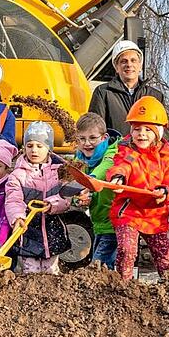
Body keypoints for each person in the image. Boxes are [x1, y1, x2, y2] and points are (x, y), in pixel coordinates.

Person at [106, 97, 169, 280]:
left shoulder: (166, 157)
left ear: (158, 132)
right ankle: (124, 287)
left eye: (148, 130)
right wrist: (117, 178)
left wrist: (164, 193)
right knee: (126, 250)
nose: (141, 134)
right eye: (137, 129)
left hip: (155, 215)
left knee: (165, 259)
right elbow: (123, 166)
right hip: (129, 211)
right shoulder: (129, 152)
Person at [7, 122, 72, 274]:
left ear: (48, 148)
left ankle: (53, 297)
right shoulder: (17, 175)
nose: (34, 150)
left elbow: (66, 198)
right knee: (31, 271)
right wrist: (17, 218)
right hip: (28, 229)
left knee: (51, 270)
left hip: (52, 229)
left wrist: (51, 204)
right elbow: (13, 199)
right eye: (29, 145)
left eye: (39, 146)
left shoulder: (60, 172)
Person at [87, 39, 167, 137]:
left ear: (140, 65)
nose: (129, 65)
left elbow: (166, 129)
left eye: (133, 60)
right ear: (116, 67)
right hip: (115, 151)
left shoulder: (155, 96)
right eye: (124, 61)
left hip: (146, 151)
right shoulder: (103, 93)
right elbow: (94, 128)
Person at [73, 113, 119, 270]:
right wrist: (78, 199)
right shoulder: (80, 159)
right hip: (98, 222)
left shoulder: (113, 153)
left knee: (100, 266)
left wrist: (87, 181)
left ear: (104, 137)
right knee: (102, 268)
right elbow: (73, 186)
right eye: (82, 139)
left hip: (115, 223)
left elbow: (104, 169)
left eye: (92, 138)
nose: (87, 143)